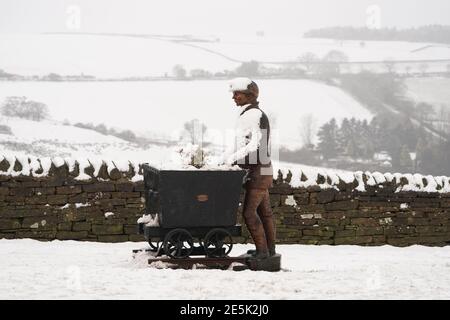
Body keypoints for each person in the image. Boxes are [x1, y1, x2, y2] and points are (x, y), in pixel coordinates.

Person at [224, 77, 276, 259]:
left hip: (258, 172)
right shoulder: (249, 114)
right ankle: (269, 251)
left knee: (249, 213)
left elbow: (255, 146)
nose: (234, 97)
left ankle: (263, 253)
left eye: (237, 94)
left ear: (249, 95)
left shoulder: (254, 115)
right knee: (265, 213)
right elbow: (240, 144)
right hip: (262, 170)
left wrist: (232, 160)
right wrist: (226, 158)